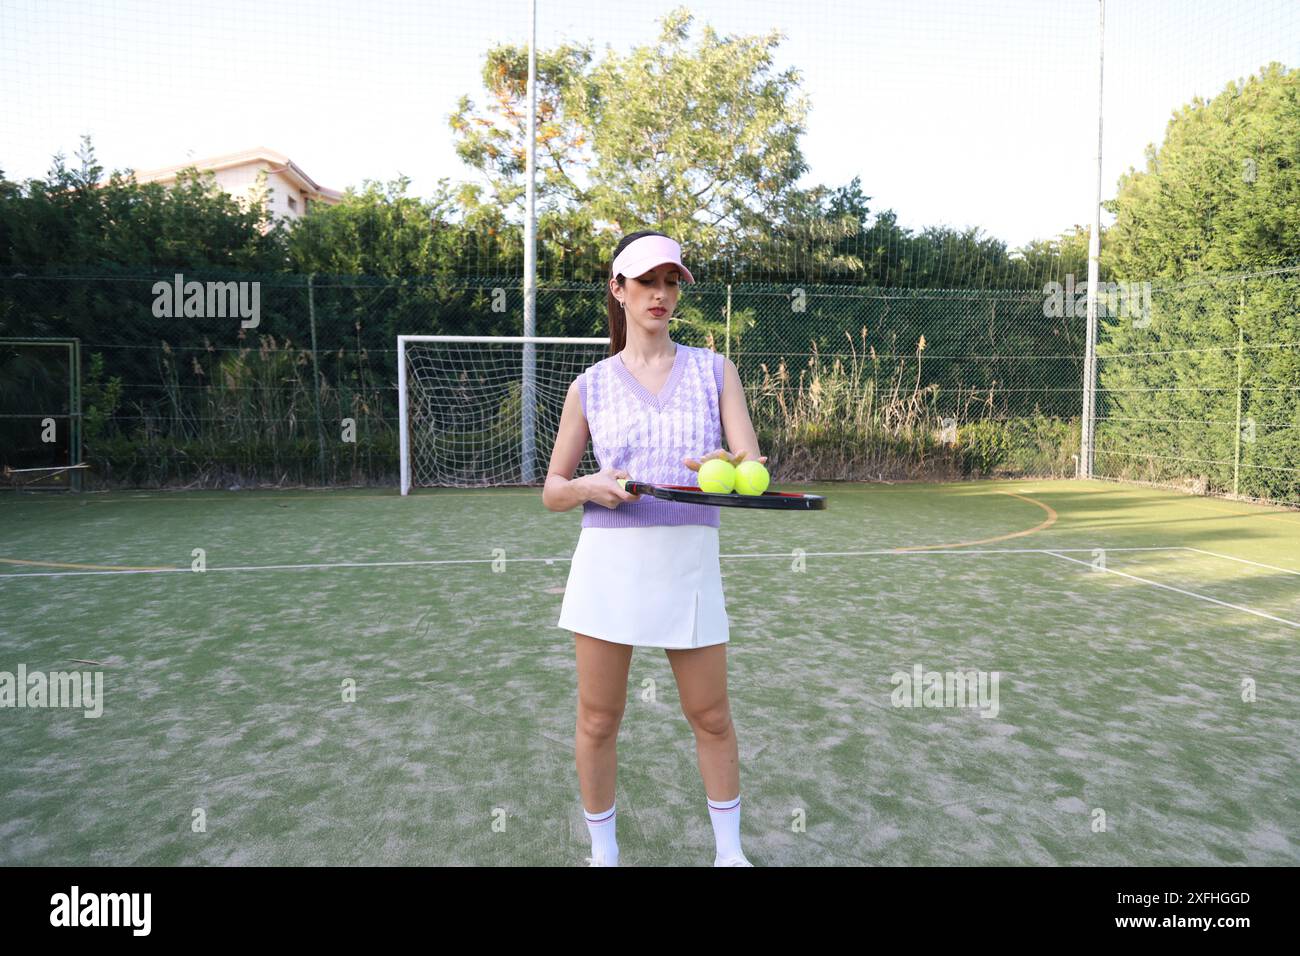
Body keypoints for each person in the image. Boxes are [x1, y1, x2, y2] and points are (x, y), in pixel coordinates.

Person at [542, 230, 768, 867]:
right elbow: (554, 491)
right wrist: (590, 484)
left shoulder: (716, 370)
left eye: (671, 282)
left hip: (687, 560)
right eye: (646, 282)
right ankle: (604, 855)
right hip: (609, 564)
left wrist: (730, 462)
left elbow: (750, 464)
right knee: (597, 720)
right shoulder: (589, 385)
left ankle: (730, 855)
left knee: (712, 716)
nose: (661, 294)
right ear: (618, 290)